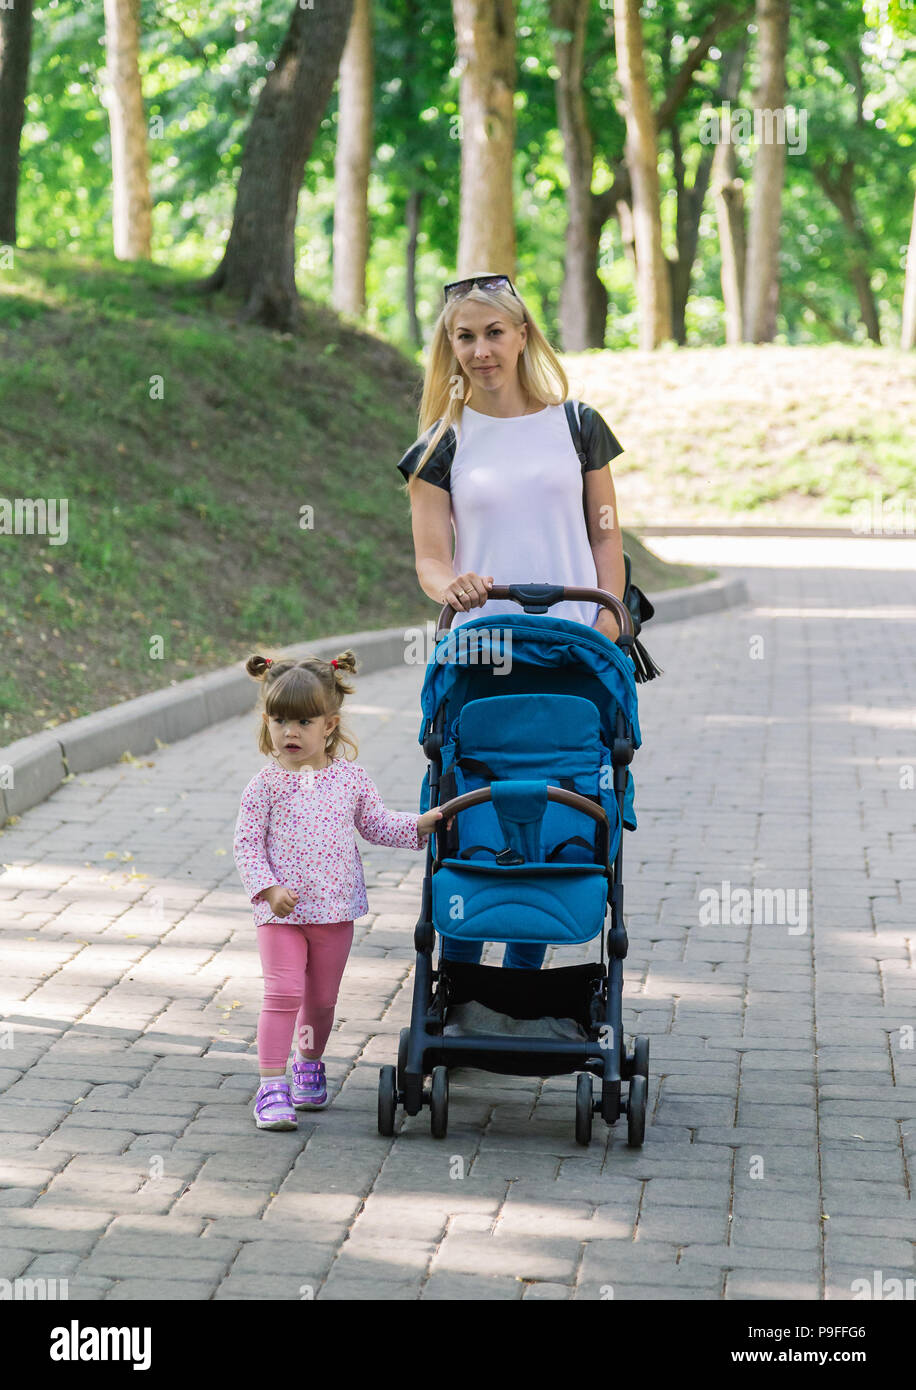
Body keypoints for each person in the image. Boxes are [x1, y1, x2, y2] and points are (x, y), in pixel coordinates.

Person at [395, 271, 627, 971]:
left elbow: (606, 536)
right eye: (464, 337)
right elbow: (430, 559)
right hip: (483, 652)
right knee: (474, 805)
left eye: (494, 332)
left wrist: (608, 628)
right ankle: (463, 983)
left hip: (573, 650)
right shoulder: (441, 444)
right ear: (450, 346)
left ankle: (523, 984)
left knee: (561, 804)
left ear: (523, 335)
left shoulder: (577, 426)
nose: (481, 350)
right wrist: (453, 584)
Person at [233, 650, 445, 1130]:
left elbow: (375, 824)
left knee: (321, 1000)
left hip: (334, 912)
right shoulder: (265, 786)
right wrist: (268, 888)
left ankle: (308, 1063)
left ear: (329, 725)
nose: (290, 732)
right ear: (267, 722)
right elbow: (246, 844)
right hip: (281, 915)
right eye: (280, 721)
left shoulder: (350, 778)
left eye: (303, 722)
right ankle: (271, 1086)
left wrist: (418, 825)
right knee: (283, 993)